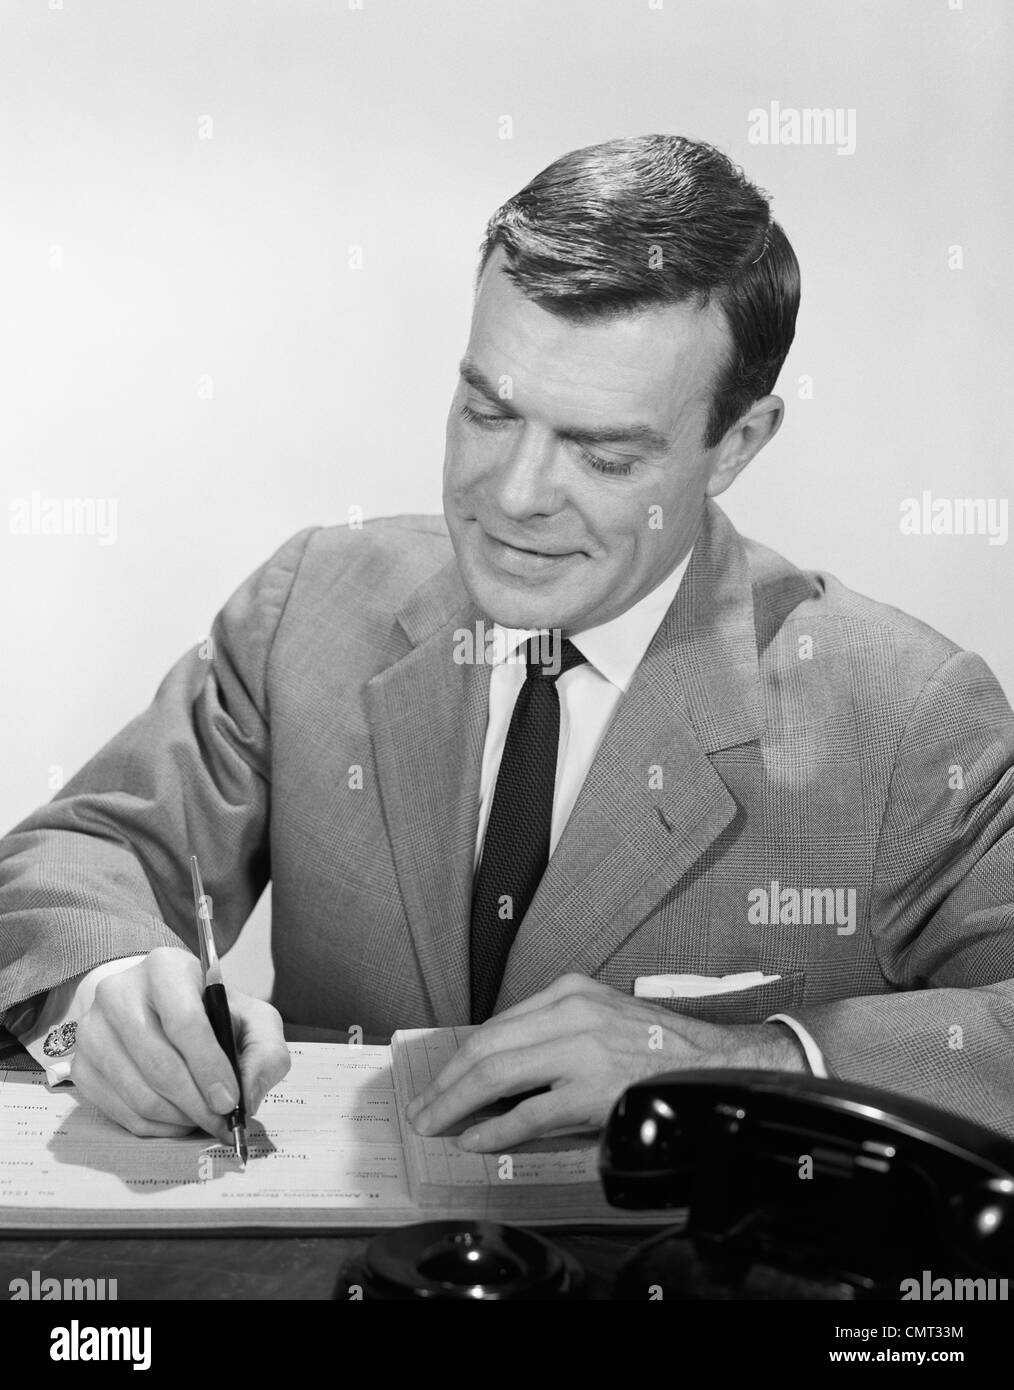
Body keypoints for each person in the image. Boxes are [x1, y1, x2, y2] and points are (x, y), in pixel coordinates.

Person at [2, 134, 1013, 1155]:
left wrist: (742, 1065)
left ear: (737, 445)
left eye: (603, 453)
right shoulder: (309, 607)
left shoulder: (909, 719)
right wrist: (114, 988)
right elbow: (76, 856)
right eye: (488, 411)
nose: (514, 496)